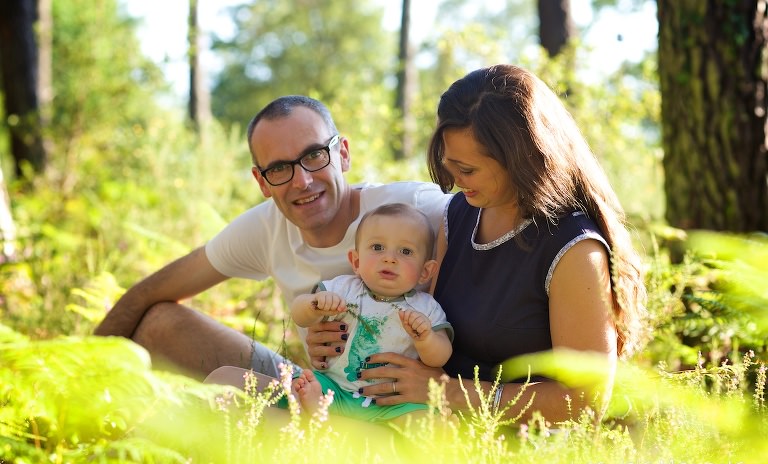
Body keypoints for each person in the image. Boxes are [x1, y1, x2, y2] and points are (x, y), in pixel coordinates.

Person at [306, 64, 647, 424]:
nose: (455, 181)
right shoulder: (458, 215)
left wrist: (447, 392)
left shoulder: (574, 249)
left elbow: (585, 402)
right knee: (259, 389)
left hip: (506, 443)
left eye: (467, 170)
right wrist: (342, 339)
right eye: (449, 165)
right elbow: (415, 317)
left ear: (521, 159)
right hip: (406, 415)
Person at [95, 95, 450, 382]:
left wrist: (443, 383)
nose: (302, 182)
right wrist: (74, 378)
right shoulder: (266, 227)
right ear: (262, 182)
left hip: (417, 404)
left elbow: (486, 225)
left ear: (342, 154)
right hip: (325, 397)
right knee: (160, 325)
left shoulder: (416, 209)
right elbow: (146, 294)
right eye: (279, 168)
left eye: (314, 155)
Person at [289, 203, 453, 422]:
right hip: (336, 387)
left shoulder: (425, 308)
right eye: (377, 247)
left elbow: (442, 355)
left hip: (393, 401)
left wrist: (426, 339)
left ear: (425, 271)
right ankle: (317, 404)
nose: (389, 258)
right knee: (299, 384)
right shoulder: (342, 289)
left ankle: (425, 428)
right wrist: (313, 305)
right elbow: (298, 315)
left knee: (425, 416)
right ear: (356, 261)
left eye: (405, 251)